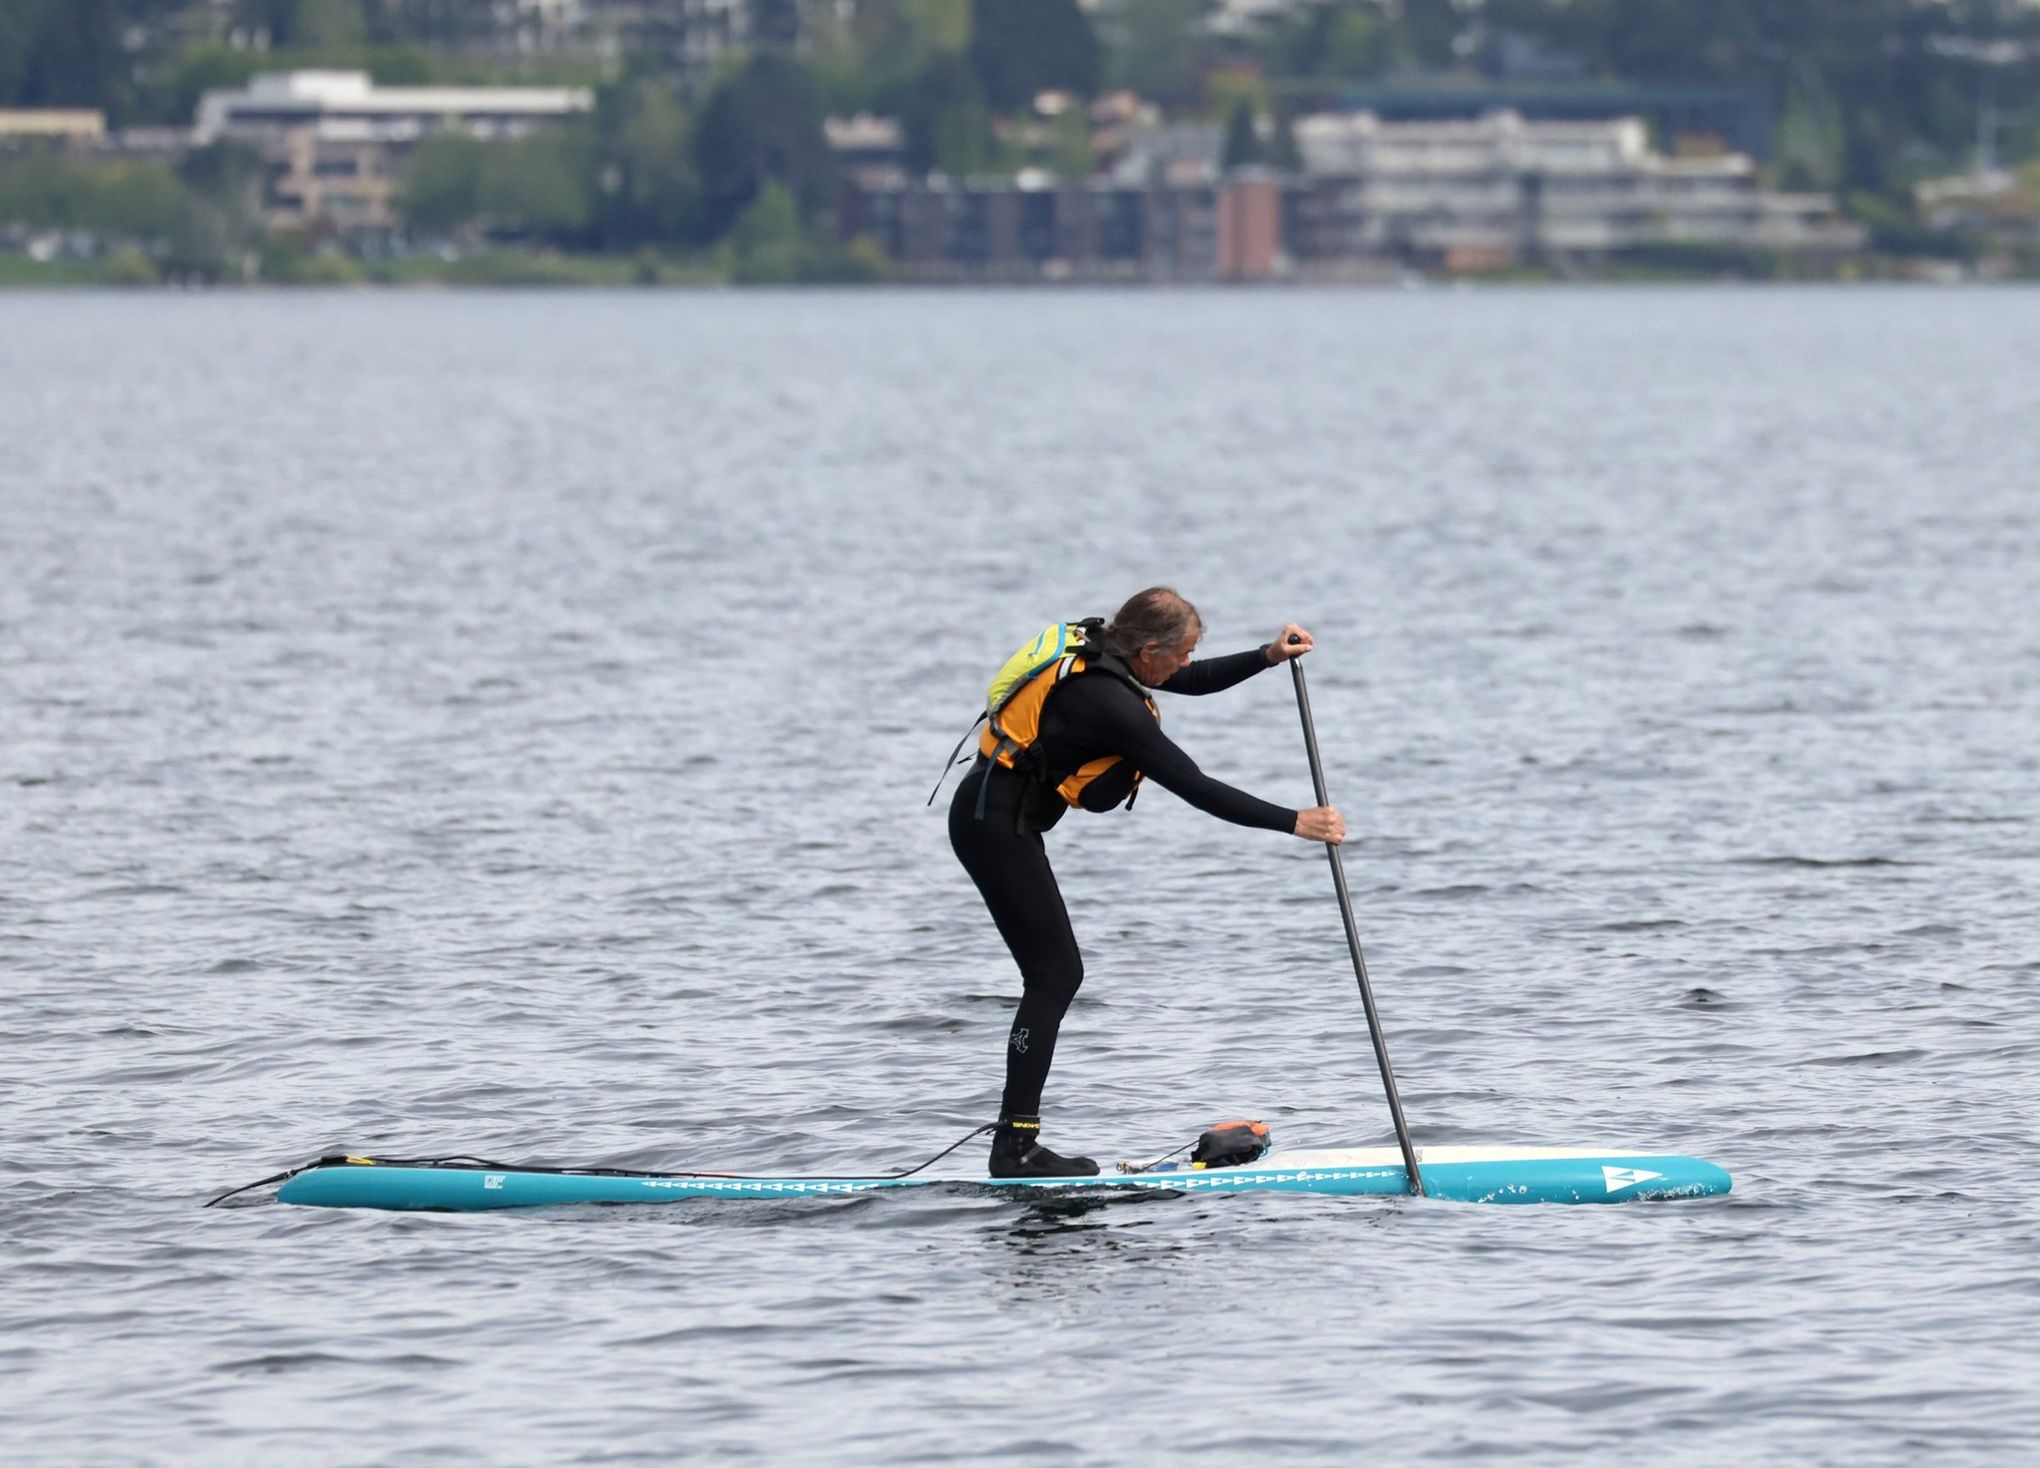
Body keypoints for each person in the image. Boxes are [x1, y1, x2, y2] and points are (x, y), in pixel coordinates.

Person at [948, 587, 1346, 1178]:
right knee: (1056, 974)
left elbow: (1191, 679)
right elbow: (1196, 785)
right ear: (1150, 648)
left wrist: (1266, 655)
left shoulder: (1107, 652)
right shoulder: (1108, 704)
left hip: (997, 816)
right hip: (993, 826)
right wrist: (1295, 821)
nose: (1185, 664)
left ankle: (1015, 1143)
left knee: (1056, 973)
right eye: (1182, 652)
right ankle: (1014, 1148)